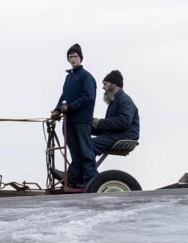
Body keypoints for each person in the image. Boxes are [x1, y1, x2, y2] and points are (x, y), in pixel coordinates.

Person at [49, 43, 97, 190]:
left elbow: (88, 97)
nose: (73, 58)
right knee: (75, 153)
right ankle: (74, 180)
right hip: (69, 121)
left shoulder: (86, 76)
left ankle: (90, 180)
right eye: (70, 56)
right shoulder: (69, 78)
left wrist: (70, 107)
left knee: (86, 152)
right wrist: (57, 110)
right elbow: (64, 96)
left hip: (82, 120)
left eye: (75, 56)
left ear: (80, 58)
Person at [91, 70, 139, 157]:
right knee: (84, 143)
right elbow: (109, 127)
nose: (103, 87)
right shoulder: (114, 101)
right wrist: (88, 125)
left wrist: (99, 123)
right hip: (117, 134)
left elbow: (123, 121)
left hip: (125, 135)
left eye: (105, 84)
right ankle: (81, 169)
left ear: (114, 84)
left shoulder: (124, 100)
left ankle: (87, 171)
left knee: (89, 145)